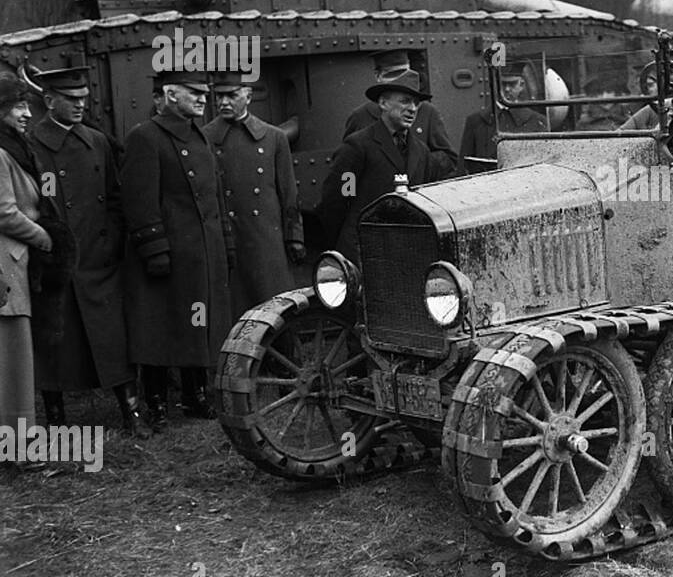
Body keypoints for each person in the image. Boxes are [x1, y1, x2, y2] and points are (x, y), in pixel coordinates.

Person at [27, 67, 147, 437]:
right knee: (55, 344)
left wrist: (110, 240)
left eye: (83, 98)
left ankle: (132, 414)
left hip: (98, 258)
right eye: (71, 99)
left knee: (112, 337)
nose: (80, 105)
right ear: (49, 101)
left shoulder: (96, 141)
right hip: (54, 260)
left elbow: (114, 197)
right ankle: (57, 420)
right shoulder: (30, 144)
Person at [122, 76, 233, 428]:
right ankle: (155, 401)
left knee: (196, 323)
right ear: (170, 95)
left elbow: (216, 195)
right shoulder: (146, 136)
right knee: (160, 326)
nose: (204, 98)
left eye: (204, 93)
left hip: (201, 249)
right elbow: (139, 200)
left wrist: (224, 242)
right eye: (195, 93)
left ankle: (194, 393)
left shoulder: (198, 134)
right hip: (169, 252)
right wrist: (155, 249)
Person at [320, 71, 444, 262]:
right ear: (383, 103)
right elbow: (339, 200)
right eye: (405, 101)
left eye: (416, 104)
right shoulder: (358, 146)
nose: (412, 109)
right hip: (363, 254)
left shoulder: (422, 152)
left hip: (408, 255)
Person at [205, 81, 304, 319]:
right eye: (218, 97)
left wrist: (295, 237)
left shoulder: (273, 137)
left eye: (231, 95)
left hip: (266, 242)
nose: (223, 102)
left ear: (248, 97)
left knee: (275, 309)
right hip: (228, 241)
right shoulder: (205, 138)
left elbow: (288, 193)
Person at [0, 77, 53, 467]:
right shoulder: (1, 153)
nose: (27, 114)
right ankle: (18, 450)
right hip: (6, 265)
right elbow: (3, 212)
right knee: (13, 359)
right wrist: (44, 237)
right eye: (19, 107)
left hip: (11, 261)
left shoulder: (11, 149)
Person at [341, 50, 459, 179]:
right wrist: (349, 197)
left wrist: (417, 163)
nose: (400, 80)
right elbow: (347, 173)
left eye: (405, 73)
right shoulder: (360, 117)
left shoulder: (427, 115)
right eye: (392, 75)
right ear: (378, 76)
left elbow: (450, 160)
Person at [460, 65, 547, 173]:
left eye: (512, 84)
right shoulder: (475, 122)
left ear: (521, 85)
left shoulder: (537, 122)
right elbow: (463, 170)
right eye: (503, 84)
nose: (506, 89)